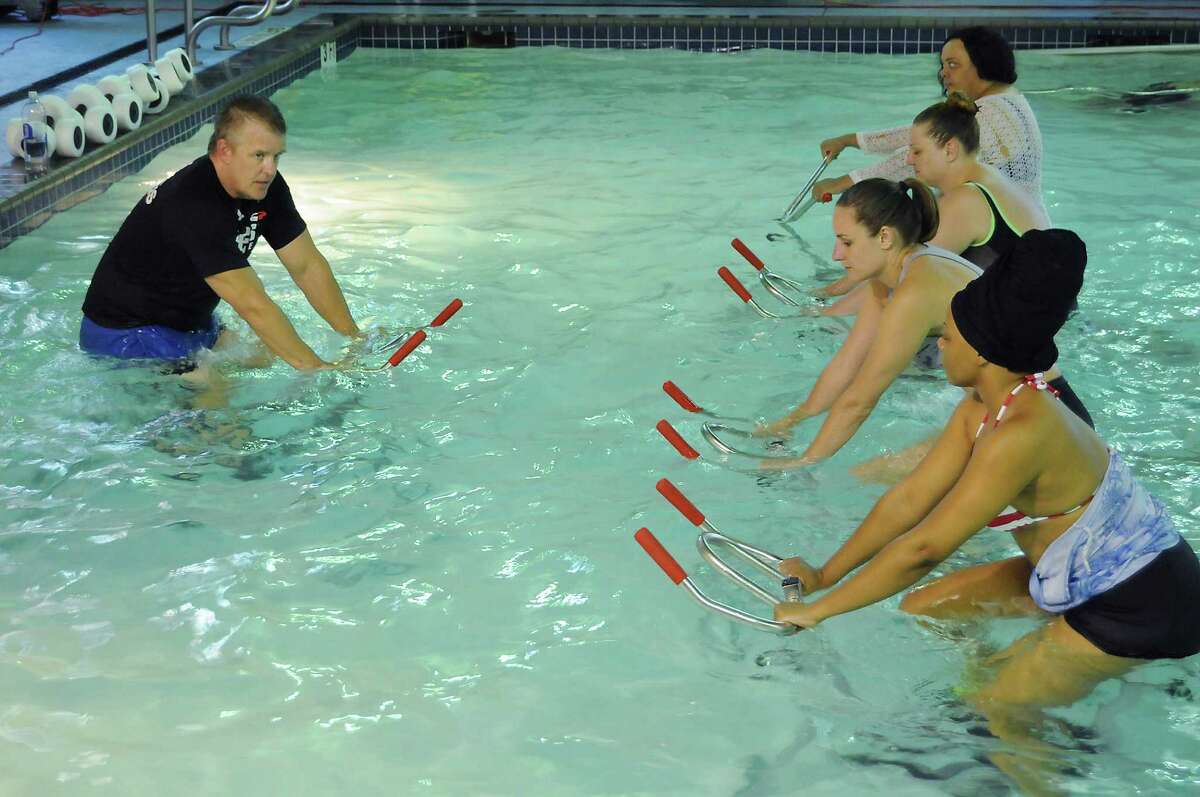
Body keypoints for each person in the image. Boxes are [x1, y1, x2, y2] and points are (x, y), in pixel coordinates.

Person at [772, 229, 1200, 792]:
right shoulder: (981, 409)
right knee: (927, 607)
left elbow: (925, 549)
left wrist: (820, 612)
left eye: (945, 336)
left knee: (998, 711)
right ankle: (1020, 678)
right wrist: (824, 575)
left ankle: (1021, 722)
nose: (939, 347)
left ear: (979, 349)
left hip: (1141, 605)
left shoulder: (1025, 430)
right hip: (1078, 573)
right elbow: (909, 501)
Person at [754, 178, 1088, 463]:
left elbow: (860, 401)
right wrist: (791, 421)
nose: (836, 255)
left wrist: (803, 463)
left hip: (1047, 413)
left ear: (885, 237)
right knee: (885, 474)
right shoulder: (888, 278)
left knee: (875, 475)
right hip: (1011, 407)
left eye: (846, 242)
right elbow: (848, 363)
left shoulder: (915, 290)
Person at [80, 95, 359, 375]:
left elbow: (306, 266)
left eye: (276, 156)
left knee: (263, 358)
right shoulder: (194, 203)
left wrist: (354, 339)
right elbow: (251, 303)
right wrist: (318, 368)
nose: (270, 169)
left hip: (190, 323)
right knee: (213, 385)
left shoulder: (264, 186)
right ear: (225, 150)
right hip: (124, 331)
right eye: (259, 155)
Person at [811, 27, 1045, 298]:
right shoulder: (1006, 101)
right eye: (943, 65)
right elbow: (918, 138)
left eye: (953, 64)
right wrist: (851, 140)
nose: (944, 73)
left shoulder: (989, 119)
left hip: (1010, 264)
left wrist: (844, 182)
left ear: (983, 63)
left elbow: (914, 154)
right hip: (1021, 254)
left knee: (892, 272)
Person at [908, 93, 1051, 271]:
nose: (909, 160)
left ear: (950, 150)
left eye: (917, 152)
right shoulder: (988, 176)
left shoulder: (966, 200)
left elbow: (913, 271)